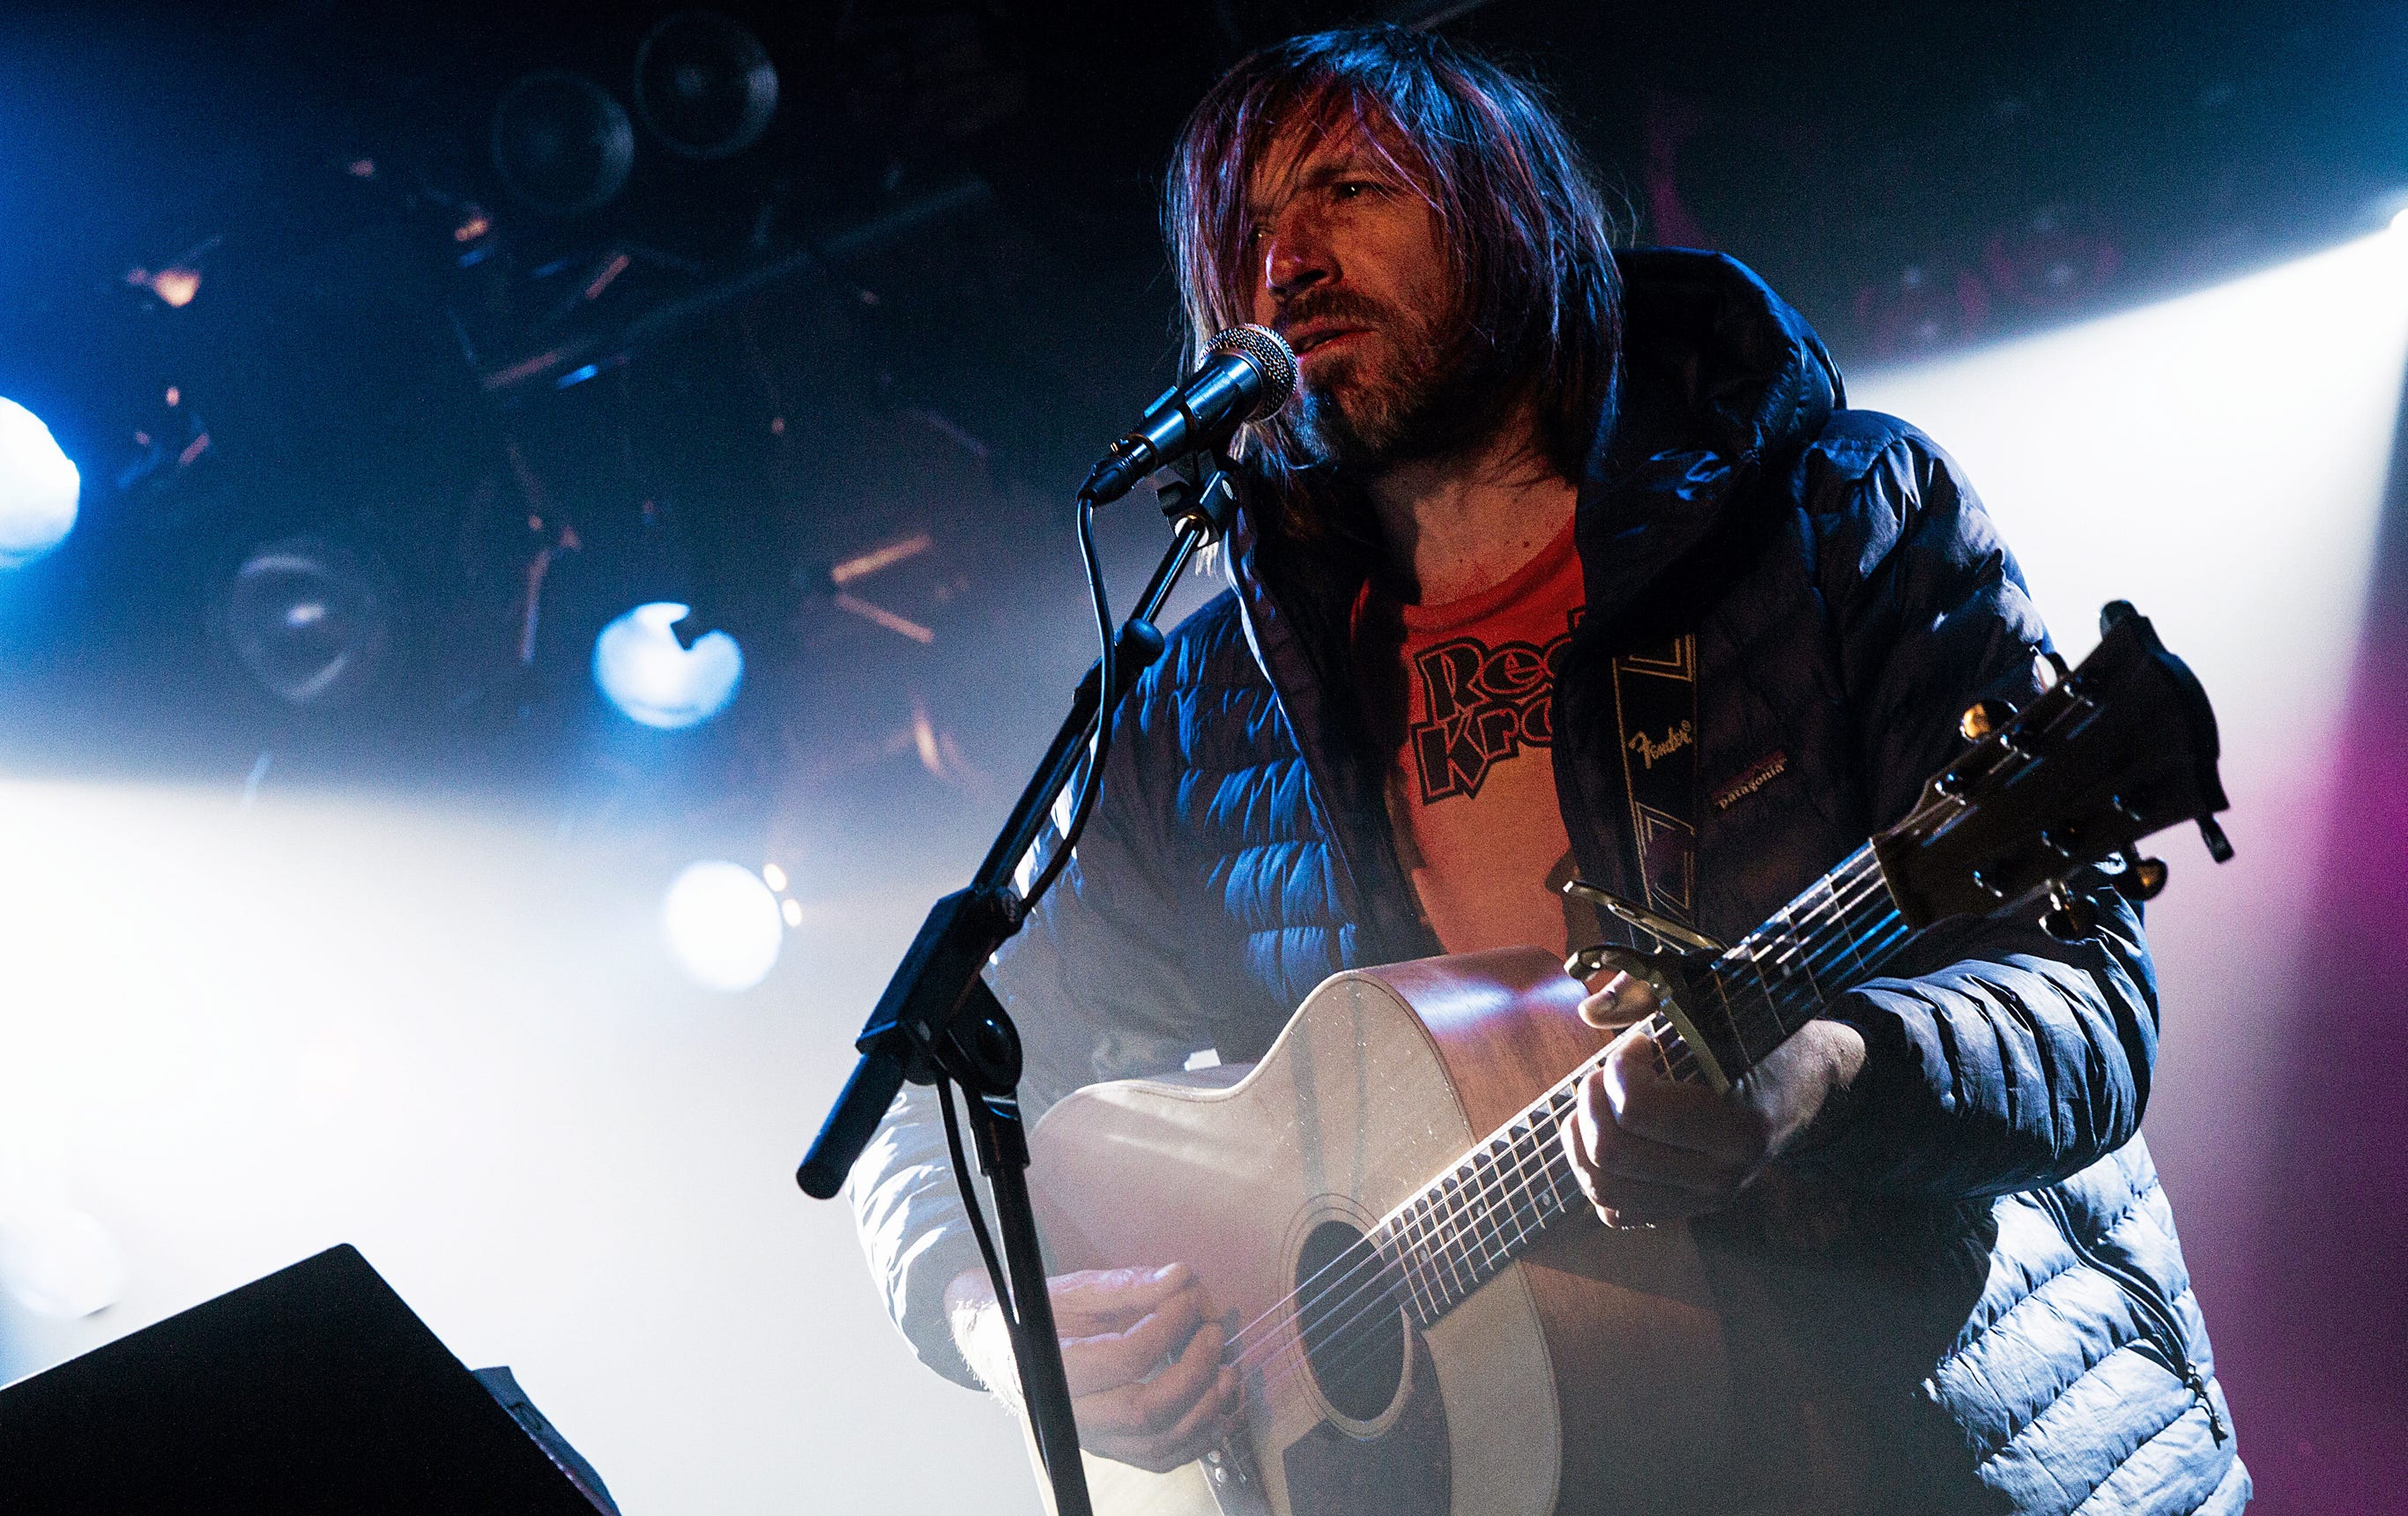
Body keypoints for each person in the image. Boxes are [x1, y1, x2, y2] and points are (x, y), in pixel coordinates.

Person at [850, 24, 2247, 1514]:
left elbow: (2085, 1003)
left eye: (1348, 193)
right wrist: (997, 1331)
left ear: (1508, 212)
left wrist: (1814, 1074)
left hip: (1941, 1462)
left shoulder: (1840, 516)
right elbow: (932, 1099)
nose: (1286, 269)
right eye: (1246, 233)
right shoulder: (1195, 704)